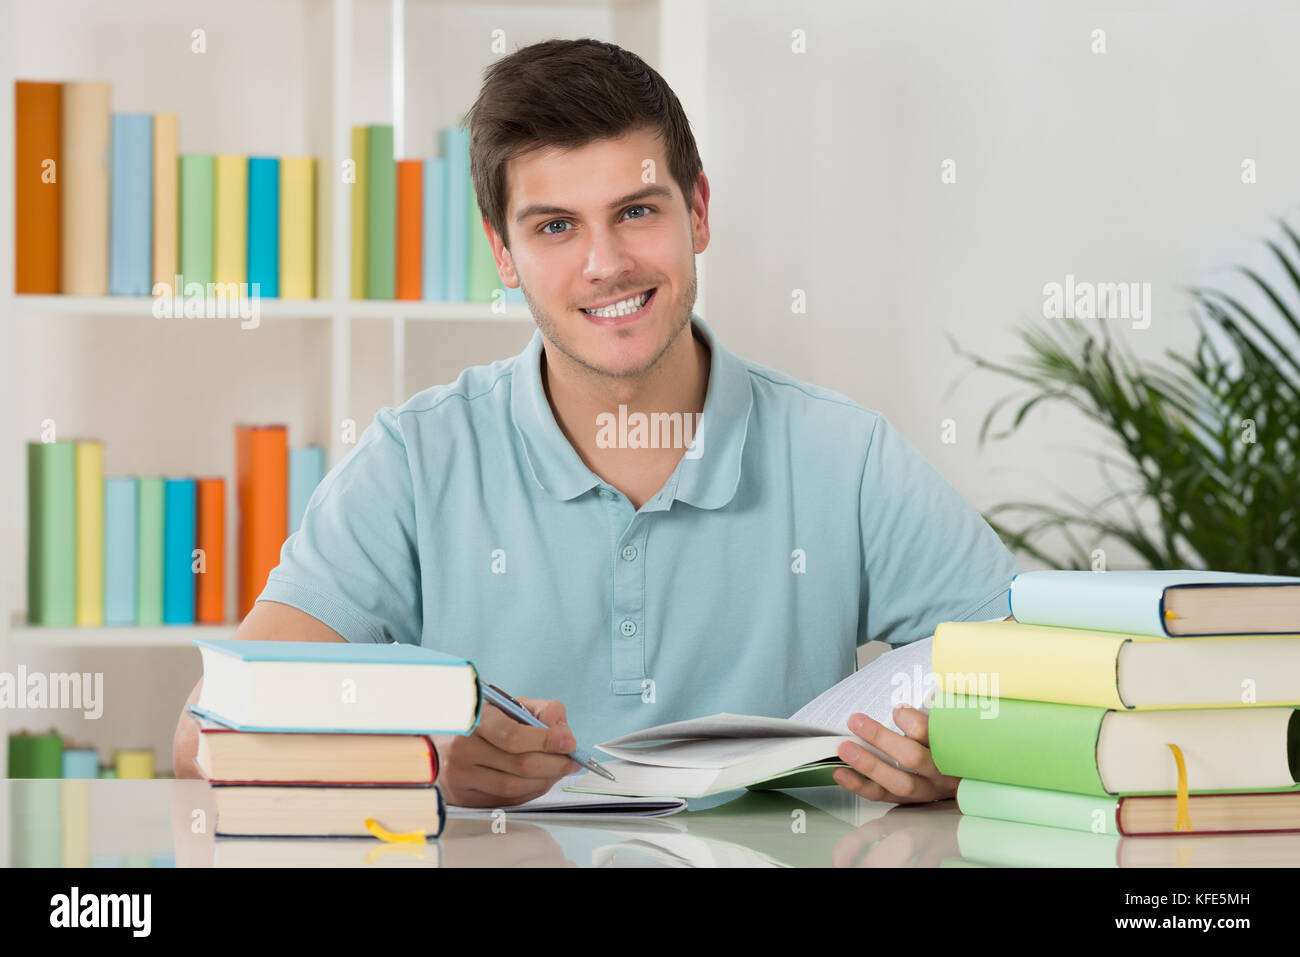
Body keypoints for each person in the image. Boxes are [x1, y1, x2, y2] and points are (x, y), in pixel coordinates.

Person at [172, 38, 1019, 808]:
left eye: (637, 211)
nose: (605, 263)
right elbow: (203, 733)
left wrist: (966, 754)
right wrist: (414, 757)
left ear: (699, 212)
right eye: (554, 227)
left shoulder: (845, 455)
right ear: (503, 253)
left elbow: (1045, 680)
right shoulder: (414, 459)